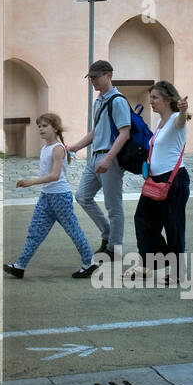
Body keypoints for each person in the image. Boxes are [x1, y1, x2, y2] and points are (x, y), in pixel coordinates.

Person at [3, 113, 98, 280]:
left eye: (45, 126)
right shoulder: (45, 148)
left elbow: (55, 176)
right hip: (47, 196)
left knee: (73, 230)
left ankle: (89, 263)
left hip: (60, 196)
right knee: (35, 231)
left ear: (55, 128)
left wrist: (32, 181)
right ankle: (20, 266)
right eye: (39, 126)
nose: (40, 129)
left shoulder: (58, 149)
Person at [66, 60, 132, 260]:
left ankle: (115, 248)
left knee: (114, 206)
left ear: (108, 75)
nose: (92, 80)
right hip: (95, 157)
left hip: (109, 158)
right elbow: (97, 131)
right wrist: (76, 147)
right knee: (82, 196)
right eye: (91, 77)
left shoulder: (118, 100)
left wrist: (109, 158)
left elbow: (125, 132)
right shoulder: (99, 100)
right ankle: (108, 235)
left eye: (95, 76)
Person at [132, 82, 192, 283]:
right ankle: (155, 260)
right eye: (151, 98)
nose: (151, 102)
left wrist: (183, 110)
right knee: (142, 219)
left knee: (173, 225)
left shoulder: (176, 118)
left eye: (155, 98)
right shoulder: (159, 123)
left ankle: (177, 272)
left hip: (173, 181)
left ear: (167, 99)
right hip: (155, 181)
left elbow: (182, 121)